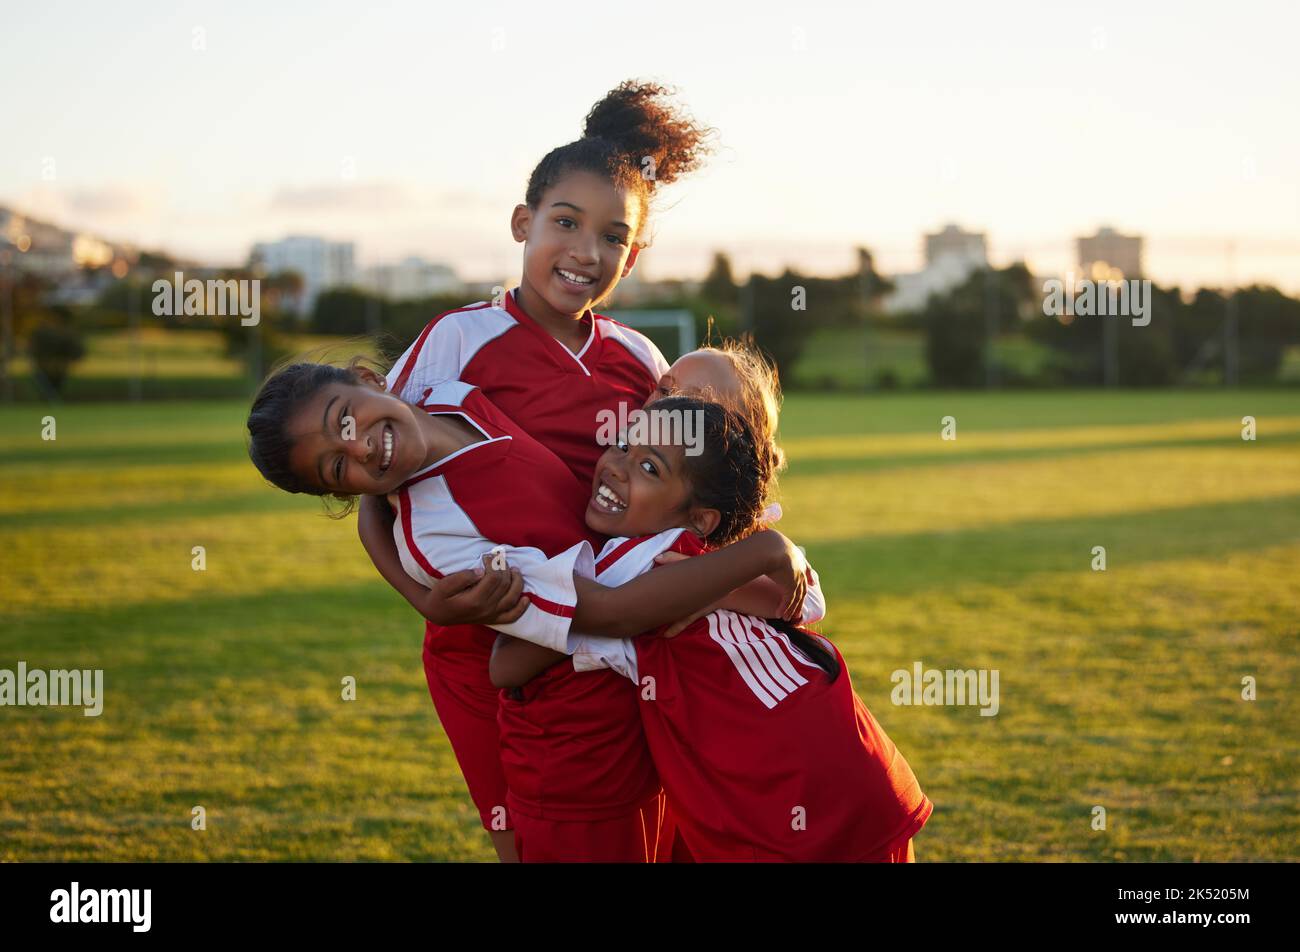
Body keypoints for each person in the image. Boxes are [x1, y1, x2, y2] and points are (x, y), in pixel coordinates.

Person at [491, 397, 933, 862]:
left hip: (791, 803)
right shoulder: (713, 556)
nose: (617, 467)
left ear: (701, 517)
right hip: (855, 765)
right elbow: (809, 599)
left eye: (648, 466)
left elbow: (505, 667)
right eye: (621, 445)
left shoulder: (630, 565)